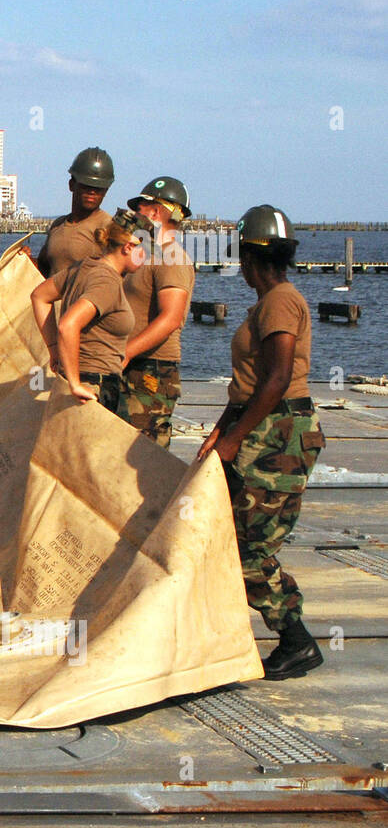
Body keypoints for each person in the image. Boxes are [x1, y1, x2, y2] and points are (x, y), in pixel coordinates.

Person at [197, 205, 324, 681]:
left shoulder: (281, 302)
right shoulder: (265, 303)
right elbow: (250, 383)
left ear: (251, 259)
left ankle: (296, 640)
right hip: (259, 426)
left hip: (279, 434)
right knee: (227, 536)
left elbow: (277, 379)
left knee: (249, 548)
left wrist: (234, 440)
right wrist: (220, 431)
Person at [30, 208, 152, 415]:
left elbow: (39, 296)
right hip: (95, 386)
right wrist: (75, 384)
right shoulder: (106, 281)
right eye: (145, 252)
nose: (147, 259)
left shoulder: (83, 267)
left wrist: (54, 350)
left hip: (78, 381)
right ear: (128, 247)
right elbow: (68, 325)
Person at [122, 177, 195, 446]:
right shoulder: (145, 254)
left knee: (140, 451)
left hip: (150, 370)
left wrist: (126, 352)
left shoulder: (172, 258)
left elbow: (171, 318)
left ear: (155, 212)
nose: (134, 215)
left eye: (139, 208)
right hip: (131, 364)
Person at [31, 147, 115, 279]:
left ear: (106, 191)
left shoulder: (109, 227)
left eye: (98, 188)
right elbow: (44, 269)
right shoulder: (58, 225)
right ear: (72, 185)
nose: (92, 192)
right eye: (86, 185)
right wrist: (25, 260)